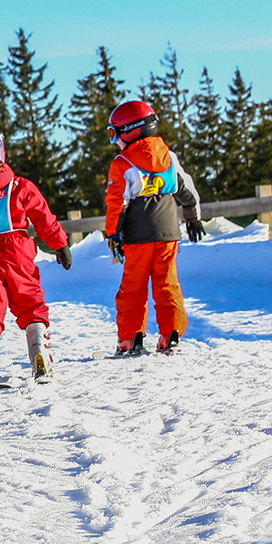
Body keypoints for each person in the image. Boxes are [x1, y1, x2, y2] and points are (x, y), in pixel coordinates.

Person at [0, 123, 73, 384]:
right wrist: (60, 244)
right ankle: (40, 351)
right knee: (30, 300)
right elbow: (43, 217)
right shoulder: (19, 186)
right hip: (18, 250)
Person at [103, 100, 204, 355]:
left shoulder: (123, 163)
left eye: (114, 133)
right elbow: (187, 191)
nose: (114, 140)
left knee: (133, 287)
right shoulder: (169, 157)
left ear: (131, 131)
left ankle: (130, 339)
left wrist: (113, 235)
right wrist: (193, 218)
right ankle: (171, 335)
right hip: (169, 232)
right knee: (167, 283)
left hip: (137, 237)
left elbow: (117, 204)